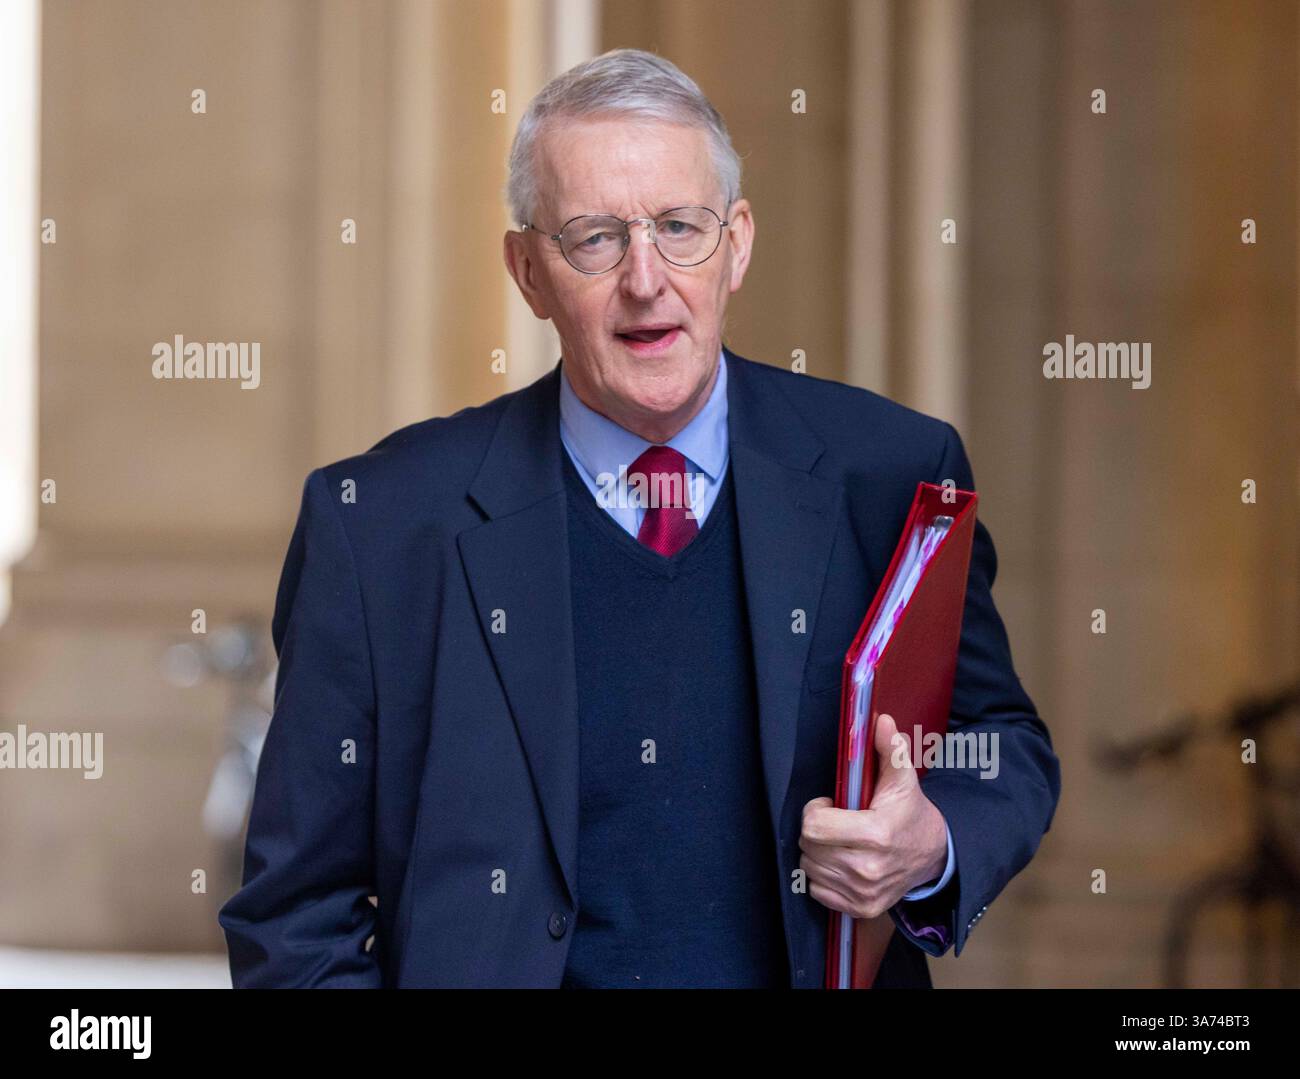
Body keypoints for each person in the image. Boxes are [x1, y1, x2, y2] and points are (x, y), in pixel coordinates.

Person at [218, 47, 1061, 988]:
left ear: (737, 243)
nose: (646, 278)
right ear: (528, 270)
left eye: (679, 226)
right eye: (595, 238)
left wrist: (932, 841)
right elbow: (295, 919)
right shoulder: (377, 525)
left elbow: (1002, 744)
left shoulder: (891, 473)